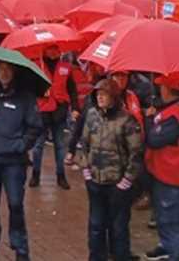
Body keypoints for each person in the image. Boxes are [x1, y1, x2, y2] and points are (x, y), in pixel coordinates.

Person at [0, 61, 42, 261]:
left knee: (15, 205)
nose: (3, 73)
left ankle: (21, 249)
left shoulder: (25, 97)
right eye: (0, 69)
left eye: (7, 69)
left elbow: (35, 127)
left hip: (14, 163)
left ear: (14, 72)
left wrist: (21, 145)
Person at [75, 79, 142, 261]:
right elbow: (85, 144)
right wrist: (86, 172)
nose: (100, 97)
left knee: (118, 227)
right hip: (95, 182)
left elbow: (136, 154)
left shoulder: (126, 120)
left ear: (114, 96)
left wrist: (125, 182)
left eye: (104, 94)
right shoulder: (91, 115)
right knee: (96, 226)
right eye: (97, 94)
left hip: (117, 185)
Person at [142, 72, 179, 261]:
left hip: (169, 176)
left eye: (162, 85)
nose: (160, 88)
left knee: (170, 225)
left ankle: (176, 256)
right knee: (177, 223)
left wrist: (149, 119)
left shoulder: (176, 115)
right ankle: (173, 252)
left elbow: (153, 140)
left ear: (168, 89)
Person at [31, 45, 76, 189]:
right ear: (44, 50)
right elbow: (28, 88)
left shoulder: (66, 67)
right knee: (38, 146)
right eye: (50, 48)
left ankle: (61, 176)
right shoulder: (37, 66)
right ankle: (35, 174)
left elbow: (72, 89)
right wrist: (40, 92)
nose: (54, 51)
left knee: (60, 146)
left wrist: (75, 108)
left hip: (59, 112)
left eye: (56, 48)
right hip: (42, 112)